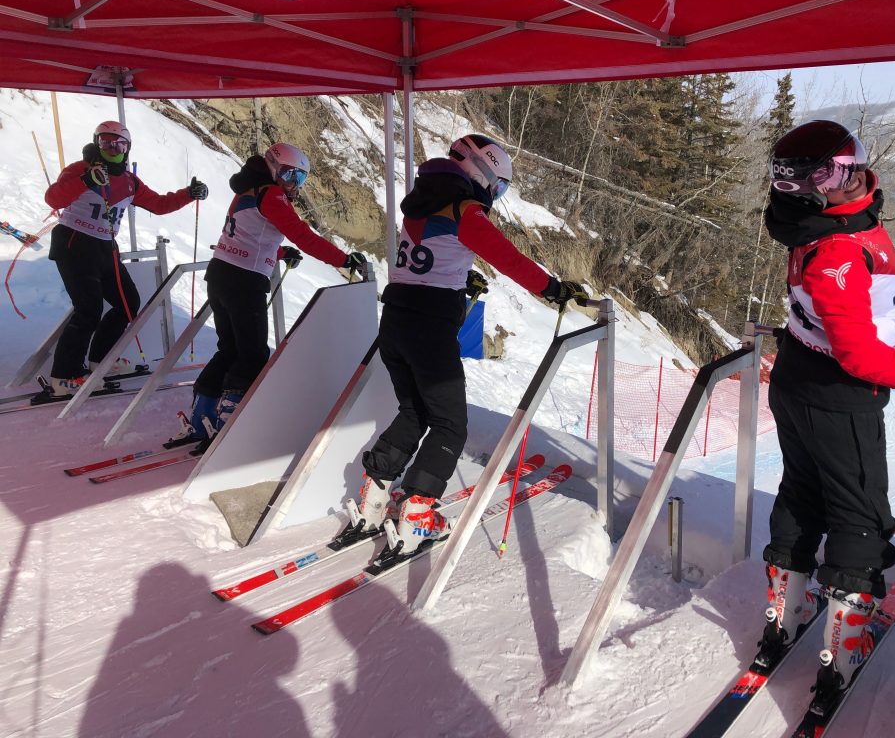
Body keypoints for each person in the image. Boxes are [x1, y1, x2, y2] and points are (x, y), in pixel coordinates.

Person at [759, 120, 895, 710]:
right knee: (859, 516)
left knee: (803, 492)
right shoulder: (836, 248)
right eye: (820, 175)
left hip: (802, 377)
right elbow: (857, 355)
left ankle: (785, 615)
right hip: (837, 395)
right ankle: (842, 652)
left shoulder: (835, 223)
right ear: (800, 188)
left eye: (843, 162)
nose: (845, 177)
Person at [340, 134, 585, 558]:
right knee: (451, 424)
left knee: (414, 411)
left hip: (396, 322)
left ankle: (373, 500)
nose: (495, 194)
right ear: (481, 171)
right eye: (498, 185)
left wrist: (458, 276)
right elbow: (508, 258)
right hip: (429, 331)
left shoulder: (422, 200)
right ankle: (417, 514)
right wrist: (553, 289)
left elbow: (427, 256)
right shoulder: (464, 209)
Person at [179, 142, 366, 443]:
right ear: (273, 167)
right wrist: (343, 260)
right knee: (253, 355)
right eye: (290, 175)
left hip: (221, 275)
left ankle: (202, 414)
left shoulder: (248, 188)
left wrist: (278, 252)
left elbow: (249, 233)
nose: (294, 185)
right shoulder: (272, 194)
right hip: (244, 282)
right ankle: (230, 422)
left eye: (300, 178)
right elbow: (303, 235)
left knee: (230, 349)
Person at [43, 120, 208, 395]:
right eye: (106, 143)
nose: (112, 149)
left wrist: (189, 194)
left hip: (105, 247)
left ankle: (101, 361)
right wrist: (85, 181)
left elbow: (158, 204)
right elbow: (53, 199)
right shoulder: (80, 170)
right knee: (88, 310)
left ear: (127, 148)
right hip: (74, 244)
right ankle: (64, 375)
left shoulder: (130, 181)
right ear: (96, 143)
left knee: (128, 303)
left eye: (119, 144)